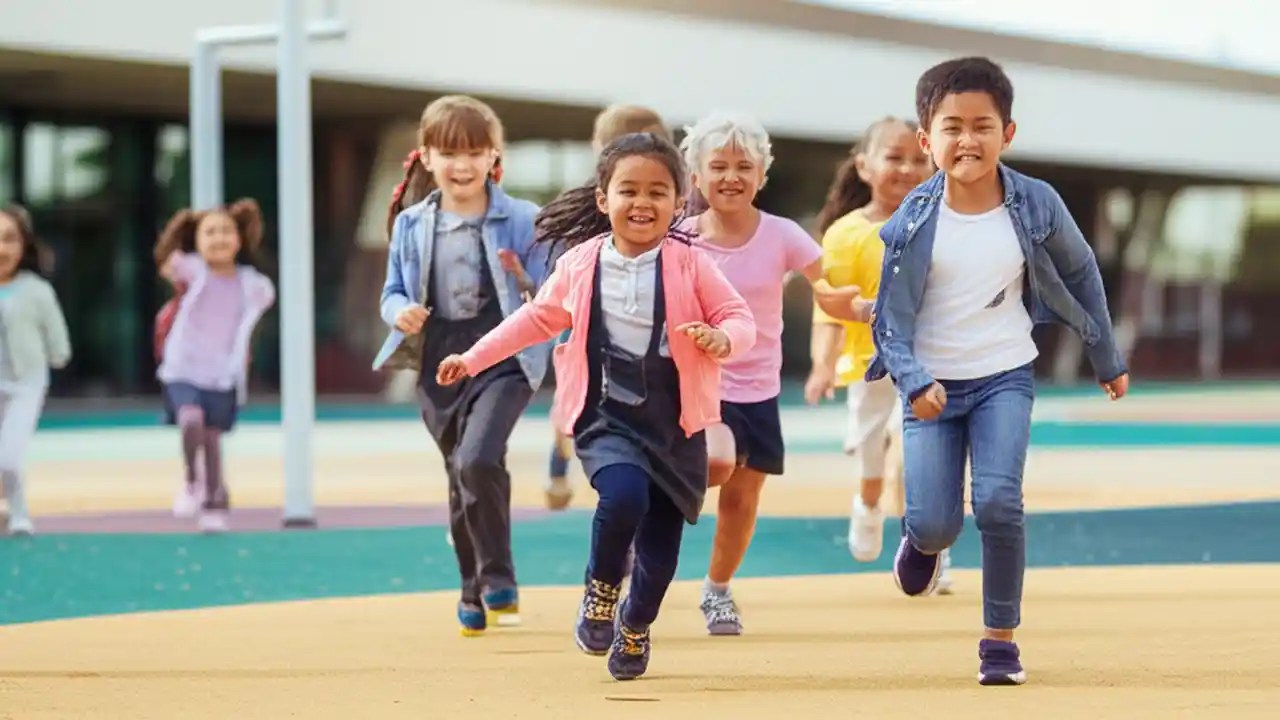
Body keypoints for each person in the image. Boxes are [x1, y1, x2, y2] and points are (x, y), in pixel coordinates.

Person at [437, 132, 756, 681]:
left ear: (679, 204)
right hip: (607, 414)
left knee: (660, 554)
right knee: (623, 495)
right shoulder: (582, 264)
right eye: (628, 190)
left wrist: (724, 339)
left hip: (676, 422)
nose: (642, 202)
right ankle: (601, 589)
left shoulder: (690, 263)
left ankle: (636, 626)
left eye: (658, 192)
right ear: (603, 199)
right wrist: (472, 357)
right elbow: (535, 319)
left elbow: (737, 314)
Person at [868, 56, 1129, 685]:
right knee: (935, 521)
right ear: (928, 141)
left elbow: (1081, 272)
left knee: (1000, 503)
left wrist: (1105, 356)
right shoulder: (910, 221)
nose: (968, 140)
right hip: (930, 384)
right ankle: (922, 543)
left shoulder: (1037, 203)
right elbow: (888, 320)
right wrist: (912, 381)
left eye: (982, 125)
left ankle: (999, 640)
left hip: (1004, 376)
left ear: (1007, 133)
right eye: (951, 128)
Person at [372, 95, 552, 637]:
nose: (462, 164)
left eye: (475, 152)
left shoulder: (522, 218)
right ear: (425, 157)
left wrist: (525, 281)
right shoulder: (411, 225)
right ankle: (471, 586)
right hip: (437, 358)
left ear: (494, 156)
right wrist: (399, 313)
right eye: (449, 152)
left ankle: (498, 575)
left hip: (504, 353)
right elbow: (392, 291)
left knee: (477, 458)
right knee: (460, 474)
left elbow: (548, 293)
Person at [675, 112, 858, 635]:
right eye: (718, 166)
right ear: (696, 177)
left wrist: (866, 310)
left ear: (761, 176)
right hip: (696, 387)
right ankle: (645, 560)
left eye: (743, 166)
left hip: (758, 391)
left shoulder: (782, 235)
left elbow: (830, 291)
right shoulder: (681, 238)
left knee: (741, 499)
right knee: (712, 463)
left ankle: (716, 590)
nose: (731, 176)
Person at [802, 116, 952, 591]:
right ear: (864, 166)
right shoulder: (844, 234)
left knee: (914, 457)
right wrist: (823, 365)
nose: (907, 168)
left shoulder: (943, 220)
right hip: (868, 366)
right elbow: (828, 310)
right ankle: (868, 506)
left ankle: (927, 550)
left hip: (927, 363)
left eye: (917, 158)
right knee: (873, 461)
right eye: (894, 157)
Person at [155, 199, 275, 534]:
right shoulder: (193, 270)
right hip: (182, 366)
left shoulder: (251, 283)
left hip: (222, 373)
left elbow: (264, 300)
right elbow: (166, 261)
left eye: (226, 231)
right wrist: (182, 224)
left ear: (239, 239)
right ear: (197, 240)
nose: (219, 239)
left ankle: (215, 501)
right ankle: (192, 481)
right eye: (210, 232)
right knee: (190, 420)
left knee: (211, 439)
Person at [0, 205, 71, 537]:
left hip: (25, 383)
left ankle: (18, 511)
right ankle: (12, 507)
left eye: (9, 239)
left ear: (24, 245)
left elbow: (57, 337)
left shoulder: (36, 290)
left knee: (8, 457)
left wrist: (58, 355)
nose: (2, 249)